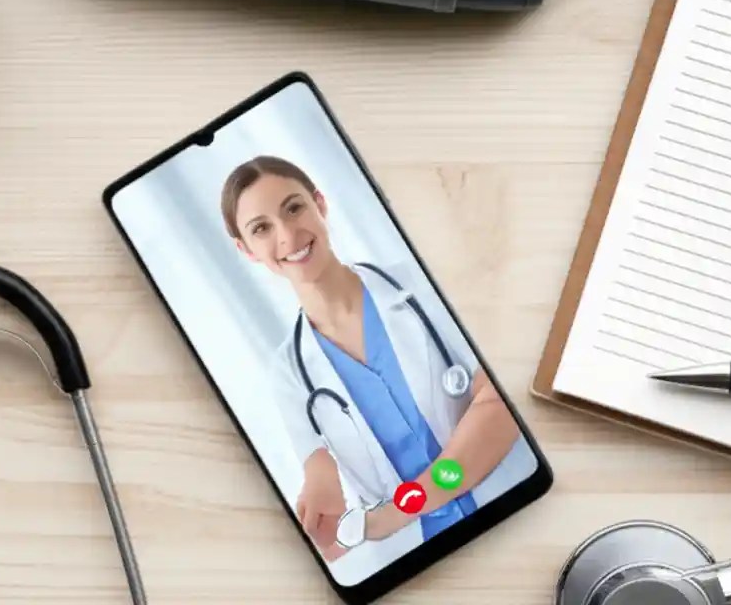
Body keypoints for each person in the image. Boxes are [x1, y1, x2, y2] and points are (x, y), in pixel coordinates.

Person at [218, 155, 534, 566]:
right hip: (418, 565)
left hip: (514, 511)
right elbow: (319, 469)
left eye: (294, 208)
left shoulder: (421, 283)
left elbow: (501, 408)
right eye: (261, 228)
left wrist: (400, 511)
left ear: (320, 204)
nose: (287, 235)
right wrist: (320, 491)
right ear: (246, 250)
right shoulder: (289, 373)